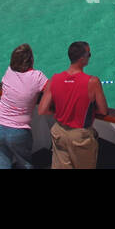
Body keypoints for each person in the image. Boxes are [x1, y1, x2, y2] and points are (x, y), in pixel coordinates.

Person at [38, 41, 108, 169]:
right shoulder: (93, 82)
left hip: (59, 131)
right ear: (82, 58)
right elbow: (103, 110)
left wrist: (61, 110)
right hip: (79, 137)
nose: (90, 57)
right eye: (89, 54)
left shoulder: (54, 79)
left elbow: (42, 109)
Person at [0, 43, 47, 169]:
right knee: (25, 165)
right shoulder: (37, 77)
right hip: (17, 131)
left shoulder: (9, 70)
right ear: (31, 60)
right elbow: (53, 90)